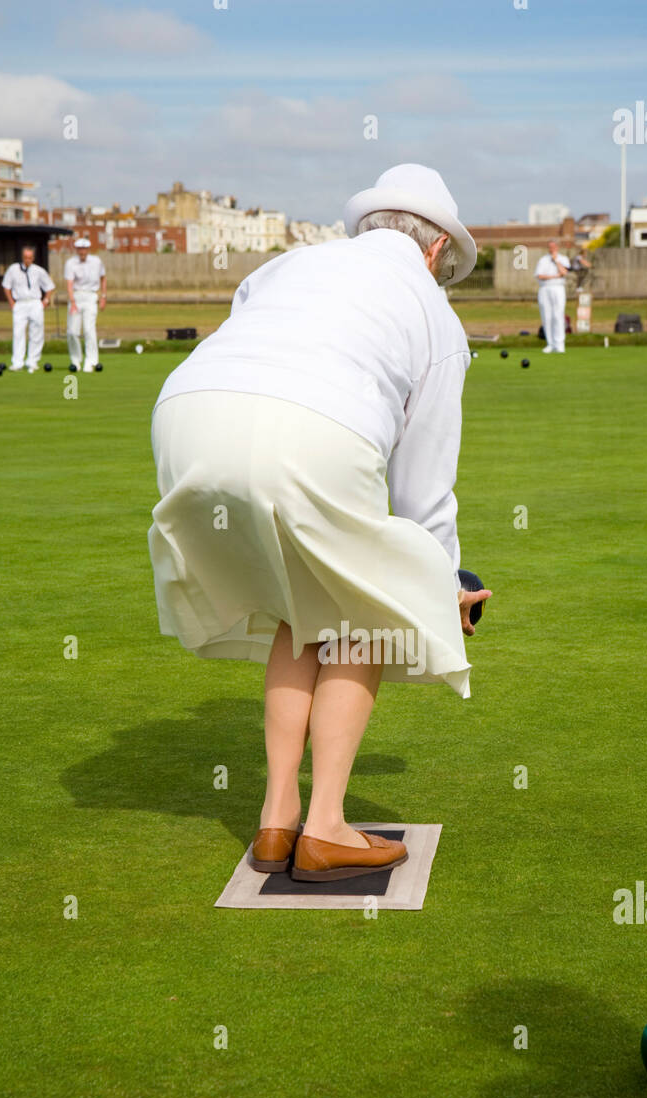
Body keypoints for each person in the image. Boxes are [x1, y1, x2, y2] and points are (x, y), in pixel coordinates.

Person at [148, 164, 491, 882]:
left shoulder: (293, 262)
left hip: (187, 413)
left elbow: (247, 341)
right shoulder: (435, 315)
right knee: (363, 611)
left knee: (299, 605)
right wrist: (446, 582)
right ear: (435, 252)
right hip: (314, 430)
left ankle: (277, 821)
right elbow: (424, 488)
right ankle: (326, 826)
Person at [2, 246, 55, 372]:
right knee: (18, 332)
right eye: (26, 257)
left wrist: (45, 301)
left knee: (36, 332)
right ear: (22, 257)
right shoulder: (13, 269)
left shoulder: (38, 271)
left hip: (35, 303)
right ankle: (17, 362)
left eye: (30, 258)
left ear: (33, 258)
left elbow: (49, 286)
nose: (27, 260)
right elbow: (6, 285)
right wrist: (11, 302)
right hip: (20, 303)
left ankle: (32, 361)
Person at [65, 237, 106, 371]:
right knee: (72, 331)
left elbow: (103, 278)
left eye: (84, 249)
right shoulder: (70, 263)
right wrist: (72, 302)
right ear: (76, 249)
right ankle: (76, 361)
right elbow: (69, 283)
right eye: (80, 249)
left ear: (88, 249)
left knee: (89, 330)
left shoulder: (96, 261)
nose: (82, 251)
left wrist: (103, 296)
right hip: (76, 296)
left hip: (91, 296)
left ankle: (91, 361)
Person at [534, 239, 571, 353]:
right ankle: (550, 343)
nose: (552, 248)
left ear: (557, 247)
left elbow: (564, 273)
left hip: (558, 289)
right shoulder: (543, 260)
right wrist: (555, 276)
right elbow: (539, 275)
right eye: (550, 246)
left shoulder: (563, 259)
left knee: (558, 315)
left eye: (554, 246)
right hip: (545, 289)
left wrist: (556, 261)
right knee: (547, 316)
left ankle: (559, 344)